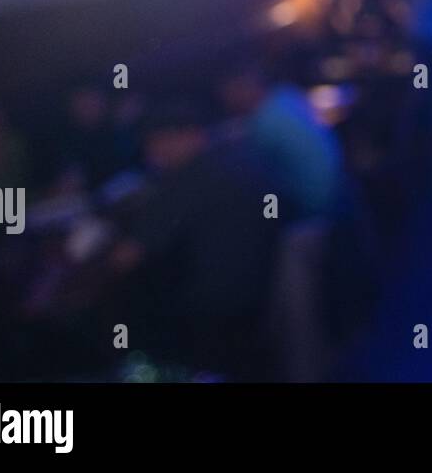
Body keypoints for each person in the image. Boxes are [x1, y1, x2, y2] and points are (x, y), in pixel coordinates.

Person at [105, 100, 278, 377]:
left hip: (216, 310)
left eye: (156, 142)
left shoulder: (187, 178)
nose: (152, 154)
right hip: (261, 292)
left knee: (127, 306)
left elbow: (125, 257)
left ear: (184, 136)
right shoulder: (236, 152)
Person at [218, 60, 343, 381]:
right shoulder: (286, 97)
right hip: (339, 204)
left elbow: (247, 178)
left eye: (228, 93)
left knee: (293, 307)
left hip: (310, 219)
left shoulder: (261, 125)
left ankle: (307, 372)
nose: (226, 101)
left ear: (243, 89)